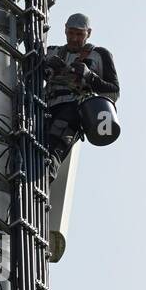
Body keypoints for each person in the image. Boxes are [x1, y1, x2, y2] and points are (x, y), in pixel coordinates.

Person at [42, 12, 120, 178]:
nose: (75, 38)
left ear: (88, 33)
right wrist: (45, 67)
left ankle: (46, 172)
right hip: (45, 107)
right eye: (71, 33)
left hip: (75, 109)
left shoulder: (99, 55)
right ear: (65, 30)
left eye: (79, 34)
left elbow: (113, 92)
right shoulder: (51, 52)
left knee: (56, 141)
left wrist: (89, 76)